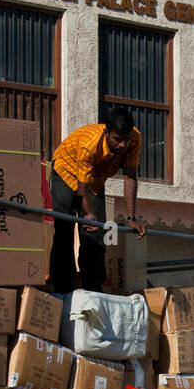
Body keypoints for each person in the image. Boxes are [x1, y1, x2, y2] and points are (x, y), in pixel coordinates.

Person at [48, 106, 146, 294]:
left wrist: (131, 217)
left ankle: (93, 290)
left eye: (126, 140)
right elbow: (81, 188)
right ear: (106, 133)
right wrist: (89, 213)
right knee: (65, 228)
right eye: (117, 140)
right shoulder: (90, 144)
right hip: (67, 170)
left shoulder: (135, 139)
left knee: (95, 233)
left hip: (94, 179)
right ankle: (61, 288)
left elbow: (130, 176)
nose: (122, 145)